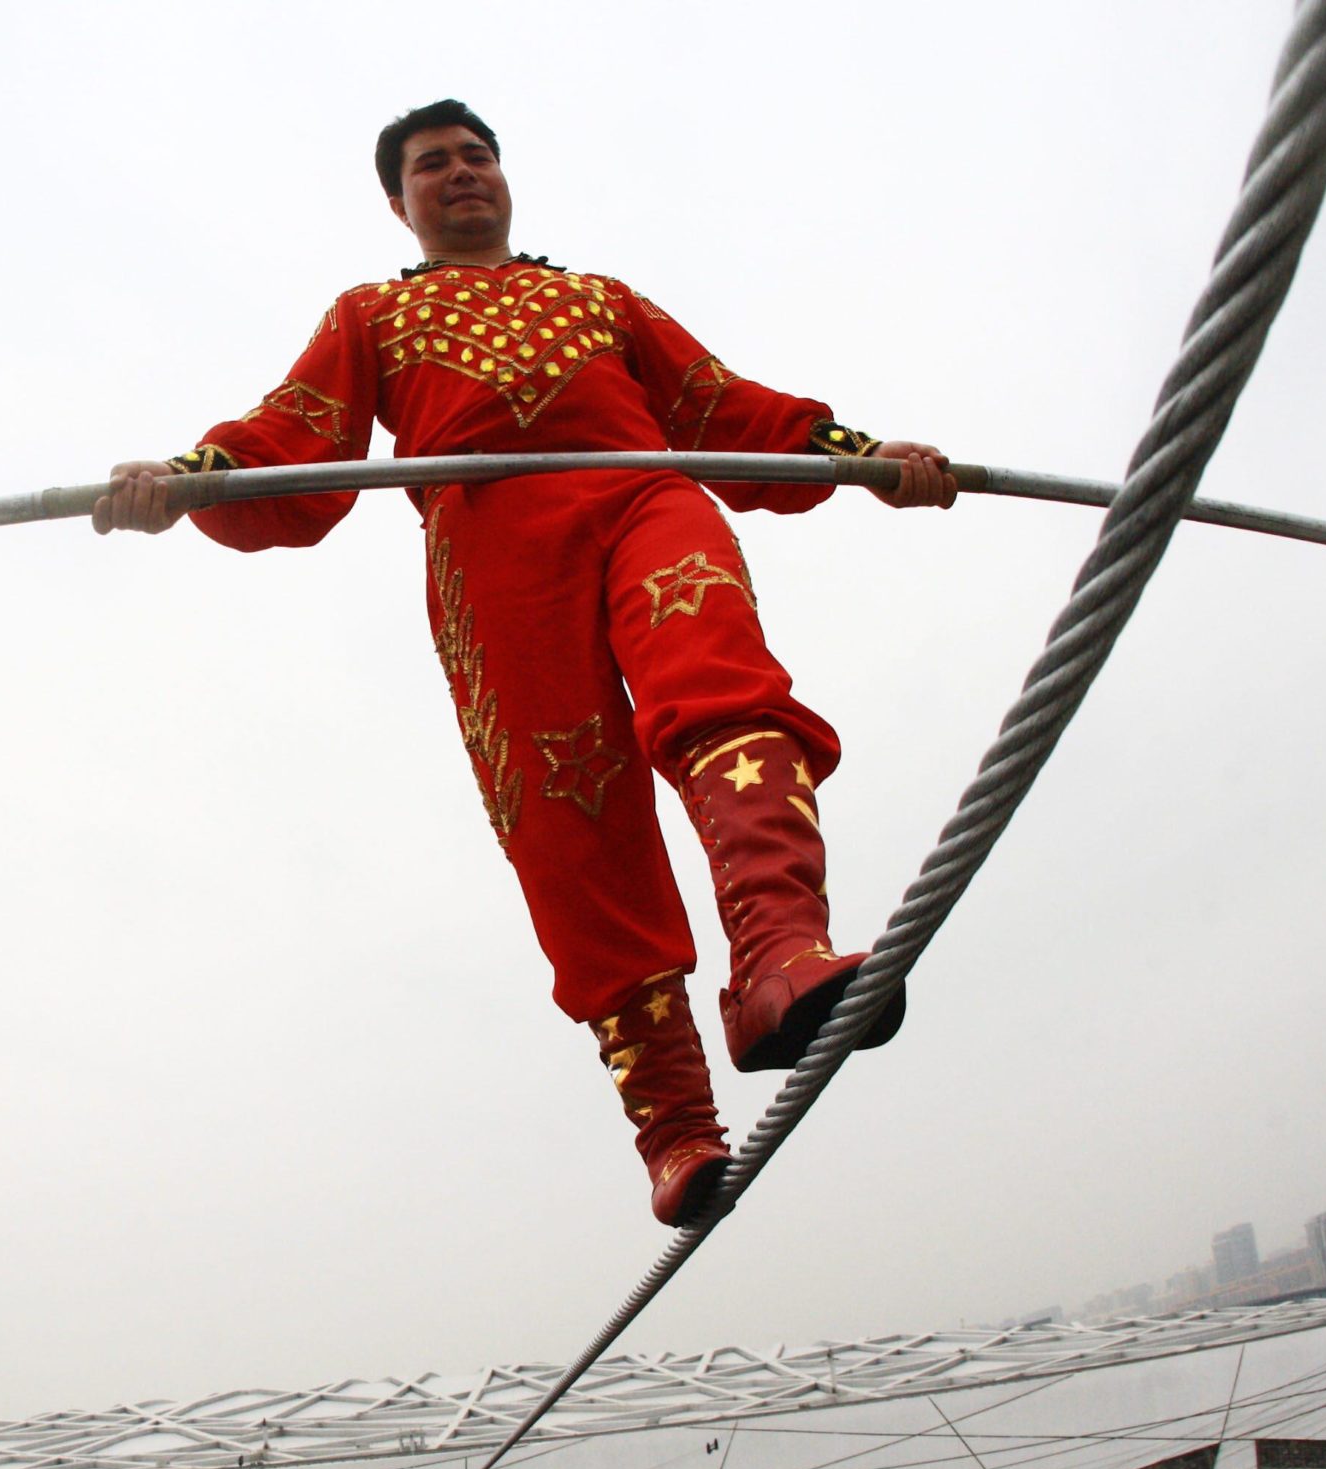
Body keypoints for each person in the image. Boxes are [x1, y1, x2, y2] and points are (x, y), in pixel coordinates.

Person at [93, 99, 956, 1227]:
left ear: (504, 176)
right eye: (431, 166)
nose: (460, 175)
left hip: (643, 495)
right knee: (567, 812)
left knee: (721, 684)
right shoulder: (370, 314)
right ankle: (675, 1125)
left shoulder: (601, 301)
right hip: (491, 547)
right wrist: (185, 476)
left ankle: (782, 952)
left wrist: (861, 457)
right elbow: (293, 436)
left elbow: (719, 408)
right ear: (396, 203)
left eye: (475, 156)